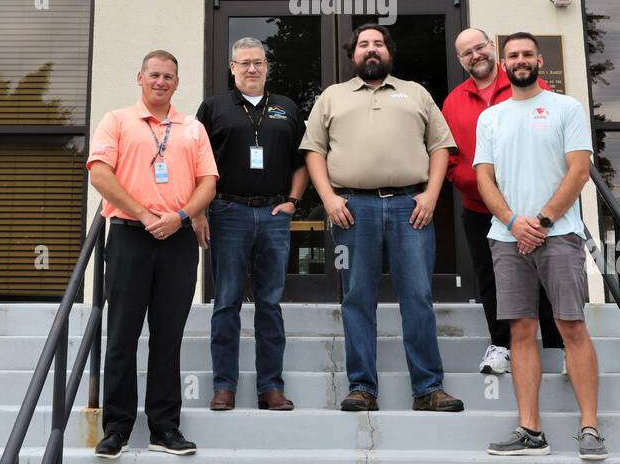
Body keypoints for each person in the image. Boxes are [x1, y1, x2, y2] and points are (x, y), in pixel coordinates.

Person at [300, 23, 464, 413]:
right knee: (357, 297)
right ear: (352, 54)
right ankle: (362, 388)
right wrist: (327, 198)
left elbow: (441, 146)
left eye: (378, 44)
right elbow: (313, 151)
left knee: (418, 297)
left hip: (412, 207)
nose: (370, 50)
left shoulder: (416, 93)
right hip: (354, 210)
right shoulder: (332, 97)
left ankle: (428, 388)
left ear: (389, 51)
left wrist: (431, 194)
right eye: (363, 44)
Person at [474, 32, 606, 460]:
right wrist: (514, 222)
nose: (520, 60)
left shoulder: (566, 108)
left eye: (527, 54)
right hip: (507, 238)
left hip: (560, 235)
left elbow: (579, 170)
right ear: (503, 63)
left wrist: (544, 220)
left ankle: (590, 427)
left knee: (571, 326)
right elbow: (483, 179)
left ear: (539, 60)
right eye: (512, 55)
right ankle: (530, 430)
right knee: (521, 330)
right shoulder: (491, 117)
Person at [87, 49, 218, 459]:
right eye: (155, 75)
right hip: (129, 236)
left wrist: (181, 216)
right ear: (140, 78)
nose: (161, 82)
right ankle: (117, 429)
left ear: (177, 83)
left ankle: (165, 427)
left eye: (169, 76)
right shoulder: (117, 121)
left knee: (168, 337)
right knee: (122, 335)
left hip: (177, 240)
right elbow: (99, 172)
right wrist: (144, 214)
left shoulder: (193, 128)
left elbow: (208, 182)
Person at [442, 27, 564, 377]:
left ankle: (557, 344)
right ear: (460, 60)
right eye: (467, 52)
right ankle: (501, 345)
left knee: (545, 274)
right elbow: (448, 154)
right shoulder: (453, 101)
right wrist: (462, 178)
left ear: (491, 48)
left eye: (479, 47)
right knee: (490, 278)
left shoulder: (525, 86)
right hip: (481, 208)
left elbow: (552, 141)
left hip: (532, 207)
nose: (475, 55)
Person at [196, 37, 307, 411]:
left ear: (267, 66)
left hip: (275, 214)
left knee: (269, 304)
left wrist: (293, 201)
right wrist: (201, 208)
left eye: (258, 62)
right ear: (232, 67)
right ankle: (224, 386)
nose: (251, 69)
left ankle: (270, 387)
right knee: (226, 302)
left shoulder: (286, 108)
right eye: (244, 63)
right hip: (228, 212)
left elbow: (302, 160)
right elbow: (197, 162)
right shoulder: (213, 108)